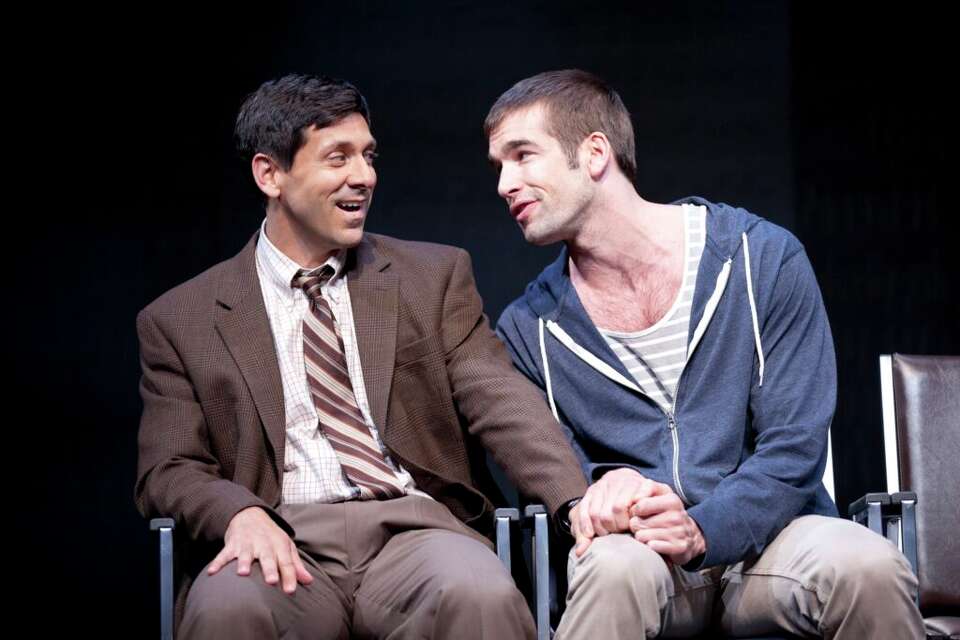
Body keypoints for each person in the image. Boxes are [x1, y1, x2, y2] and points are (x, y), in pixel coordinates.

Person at [135, 73, 587, 640]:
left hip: (416, 531)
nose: (364, 176)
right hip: (279, 534)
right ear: (269, 174)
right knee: (227, 609)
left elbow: (500, 401)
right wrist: (238, 513)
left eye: (368, 156)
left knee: (479, 593)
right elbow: (169, 467)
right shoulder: (182, 318)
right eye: (338, 157)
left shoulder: (431, 277)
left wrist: (574, 501)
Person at [486, 69, 923, 639]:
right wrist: (606, 491)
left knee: (868, 564)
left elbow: (794, 448)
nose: (505, 184)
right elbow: (557, 469)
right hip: (641, 549)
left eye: (522, 156)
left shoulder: (759, 259)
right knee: (611, 571)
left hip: (772, 539)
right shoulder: (529, 328)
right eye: (498, 166)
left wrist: (703, 528)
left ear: (594, 153)